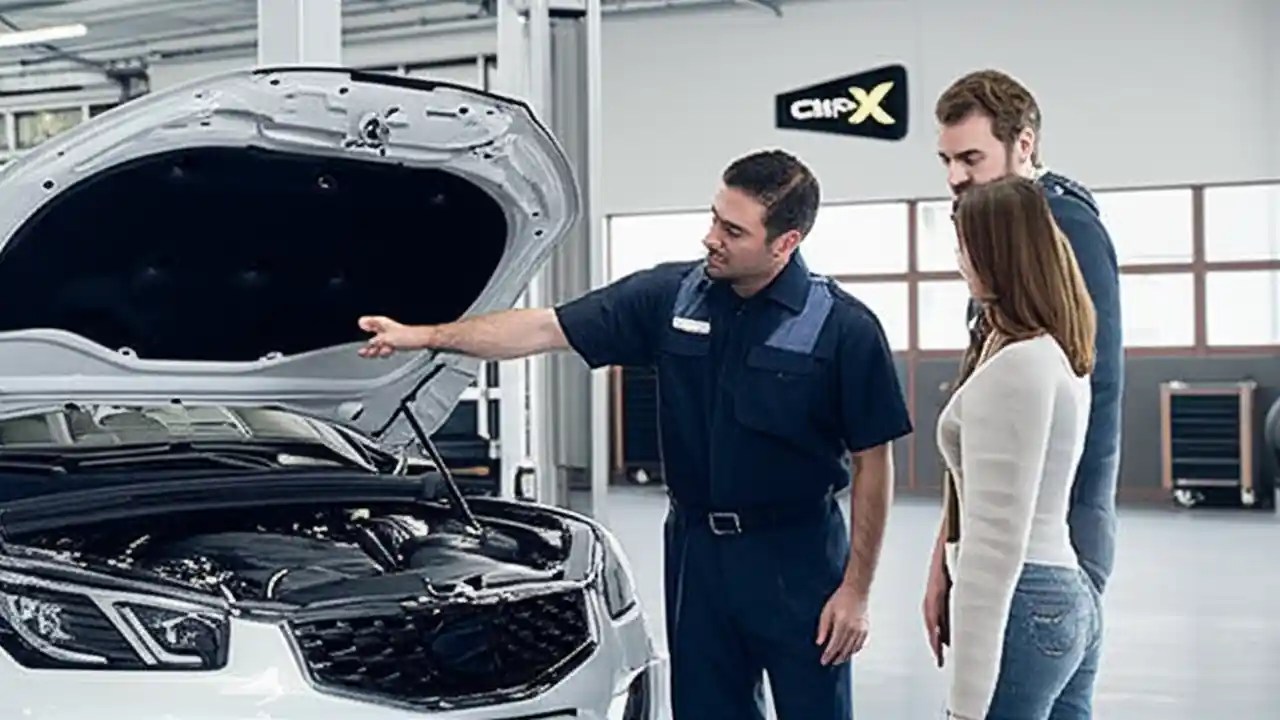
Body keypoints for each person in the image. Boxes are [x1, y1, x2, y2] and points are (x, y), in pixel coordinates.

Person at [356, 149, 913, 720]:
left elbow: (875, 462)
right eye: (714, 217)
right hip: (698, 555)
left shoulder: (841, 328)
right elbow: (545, 326)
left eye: (732, 229)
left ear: (785, 242)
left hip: (797, 558)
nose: (710, 237)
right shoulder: (671, 297)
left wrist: (857, 591)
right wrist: (424, 334)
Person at [923, 69, 1123, 709]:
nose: (955, 175)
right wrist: (947, 552)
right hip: (1028, 545)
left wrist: (1065, 563)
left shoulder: (1058, 224)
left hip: (1046, 546)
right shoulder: (1004, 244)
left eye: (971, 157)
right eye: (947, 160)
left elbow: (1096, 396)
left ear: (1025, 145)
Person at [938, 175, 1104, 719]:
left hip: (1025, 597)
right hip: (1064, 592)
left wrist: (963, 707)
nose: (959, 259)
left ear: (994, 252)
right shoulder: (1056, 352)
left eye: (965, 244)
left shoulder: (1018, 366)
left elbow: (994, 541)